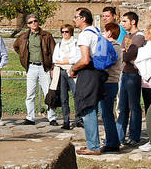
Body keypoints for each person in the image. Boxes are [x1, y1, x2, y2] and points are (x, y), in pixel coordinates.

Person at [68, 8, 108, 156]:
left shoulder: (85, 35)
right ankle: (93, 143)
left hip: (88, 73)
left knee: (87, 107)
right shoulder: (96, 31)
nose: (74, 20)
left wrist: (73, 68)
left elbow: (85, 60)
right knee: (91, 107)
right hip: (98, 73)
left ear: (83, 18)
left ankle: (94, 146)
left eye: (76, 17)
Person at [13, 14, 56, 125]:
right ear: (27, 25)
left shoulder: (47, 35)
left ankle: (52, 117)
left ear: (38, 22)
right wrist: (23, 56)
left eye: (35, 21)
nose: (33, 24)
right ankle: (30, 117)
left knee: (48, 93)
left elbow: (53, 51)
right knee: (30, 94)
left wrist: (52, 67)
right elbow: (16, 46)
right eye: (30, 22)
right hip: (31, 67)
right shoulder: (24, 36)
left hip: (44, 67)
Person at [117, 11, 146, 145]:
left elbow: (128, 55)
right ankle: (120, 135)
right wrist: (124, 52)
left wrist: (124, 52)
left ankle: (134, 136)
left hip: (134, 73)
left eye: (124, 21)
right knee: (123, 106)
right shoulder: (128, 36)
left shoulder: (139, 37)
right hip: (125, 72)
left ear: (132, 22)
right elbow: (122, 51)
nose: (122, 24)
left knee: (134, 106)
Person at [98, 23, 122, 152]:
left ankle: (112, 142)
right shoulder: (116, 47)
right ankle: (111, 140)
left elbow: (107, 64)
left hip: (109, 81)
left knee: (107, 114)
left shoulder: (113, 47)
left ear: (109, 32)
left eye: (105, 31)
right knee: (106, 113)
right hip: (111, 81)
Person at [52, 23, 79, 129]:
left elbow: (76, 57)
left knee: (76, 95)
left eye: (66, 32)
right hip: (62, 72)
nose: (64, 34)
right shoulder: (59, 45)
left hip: (72, 71)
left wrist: (66, 61)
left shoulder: (75, 43)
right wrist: (64, 61)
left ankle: (78, 118)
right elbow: (55, 59)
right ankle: (66, 120)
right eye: (62, 32)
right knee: (63, 97)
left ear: (71, 32)